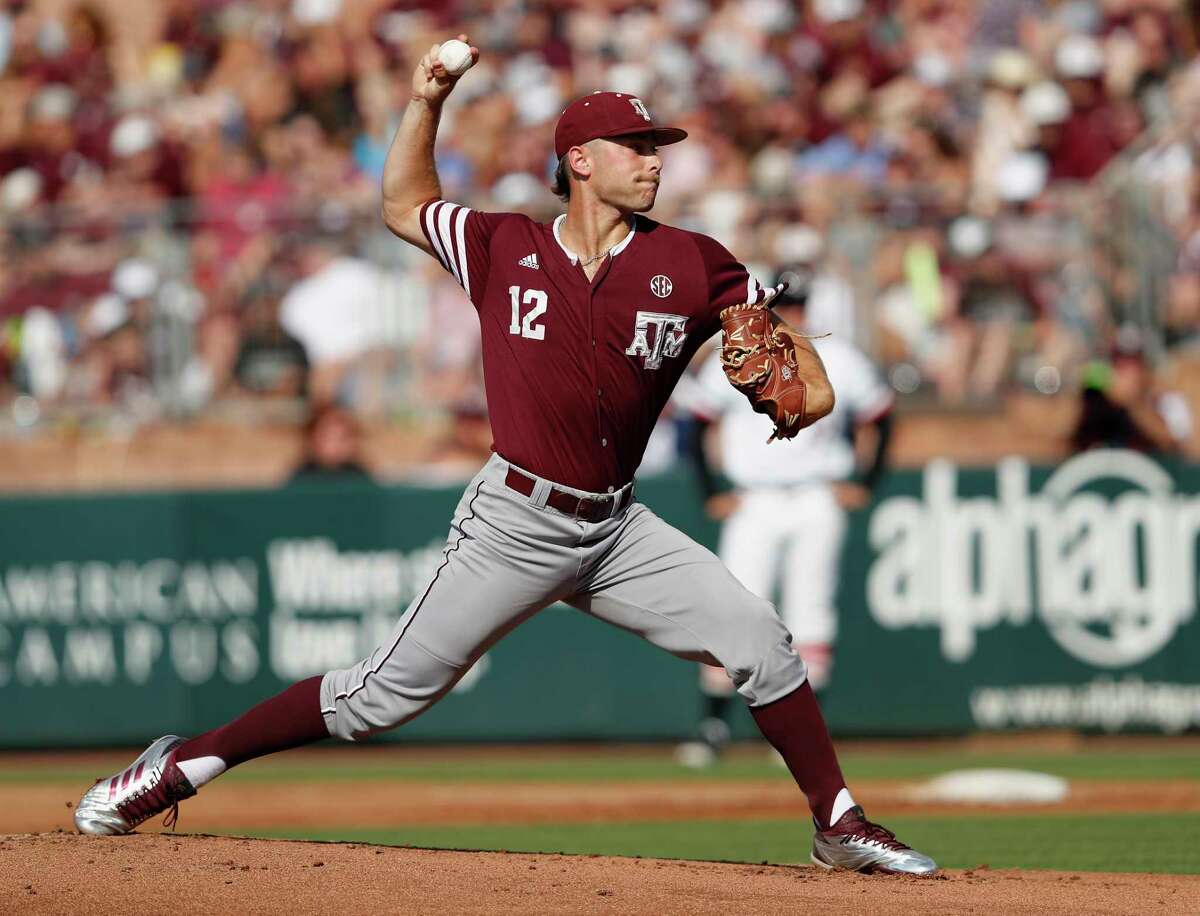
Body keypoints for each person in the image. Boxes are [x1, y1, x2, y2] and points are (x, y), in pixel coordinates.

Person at [73, 37, 936, 876]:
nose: (654, 161)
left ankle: (838, 823)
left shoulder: (691, 260)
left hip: (618, 529)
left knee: (761, 640)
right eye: (634, 146)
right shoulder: (505, 247)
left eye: (656, 146)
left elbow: (799, 367)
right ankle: (179, 767)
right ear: (580, 161)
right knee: (377, 700)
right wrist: (427, 101)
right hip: (515, 522)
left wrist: (807, 382)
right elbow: (403, 205)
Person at [675, 268, 894, 767]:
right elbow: (698, 420)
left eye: (798, 304)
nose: (792, 313)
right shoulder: (737, 353)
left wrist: (866, 482)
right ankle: (713, 727)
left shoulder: (838, 357)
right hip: (755, 499)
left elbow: (881, 415)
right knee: (733, 611)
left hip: (816, 495)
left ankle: (804, 735)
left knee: (811, 611)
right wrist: (711, 490)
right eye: (784, 305)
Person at [288, 403, 372, 483]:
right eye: (327, 437)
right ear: (312, 438)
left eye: (343, 437)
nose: (336, 445)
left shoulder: (364, 477)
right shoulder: (298, 478)